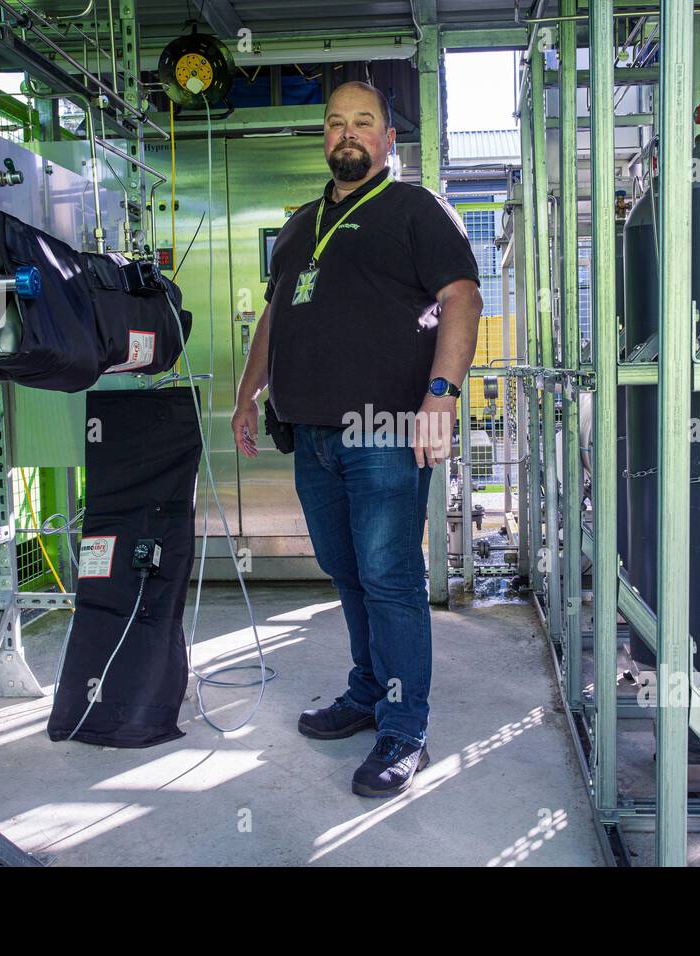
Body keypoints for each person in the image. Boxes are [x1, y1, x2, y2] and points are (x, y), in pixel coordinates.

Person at [231, 80, 483, 798]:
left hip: (385, 432)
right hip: (310, 433)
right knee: (346, 573)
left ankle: (405, 729)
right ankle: (369, 690)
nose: (347, 133)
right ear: (324, 137)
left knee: (391, 579)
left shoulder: (415, 209)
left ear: (387, 139)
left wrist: (441, 394)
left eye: (363, 122)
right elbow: (277, 312)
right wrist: (249, 389)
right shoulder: (298, 224)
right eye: (335, 122)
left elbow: (462, 296)